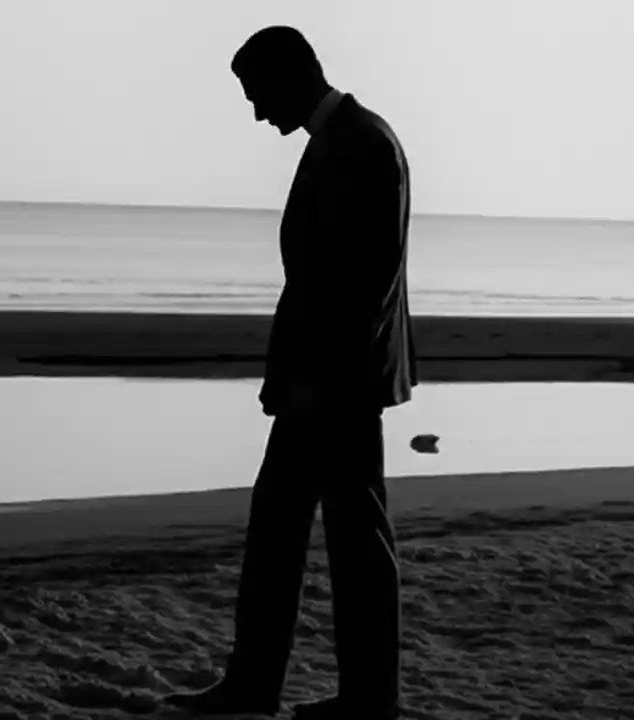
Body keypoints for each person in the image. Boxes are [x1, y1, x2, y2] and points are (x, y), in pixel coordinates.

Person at [164, 26, 416, 720]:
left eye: (257, 94)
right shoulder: (350, 139)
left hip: (334, 385)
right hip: (331, 381)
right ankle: (283, 686)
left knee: (337, 539)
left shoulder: (359, 144)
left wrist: (315, 383)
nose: (256, 113)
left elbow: (360, 282)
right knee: (300, 532)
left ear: (291, 76)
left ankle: (344, 695)